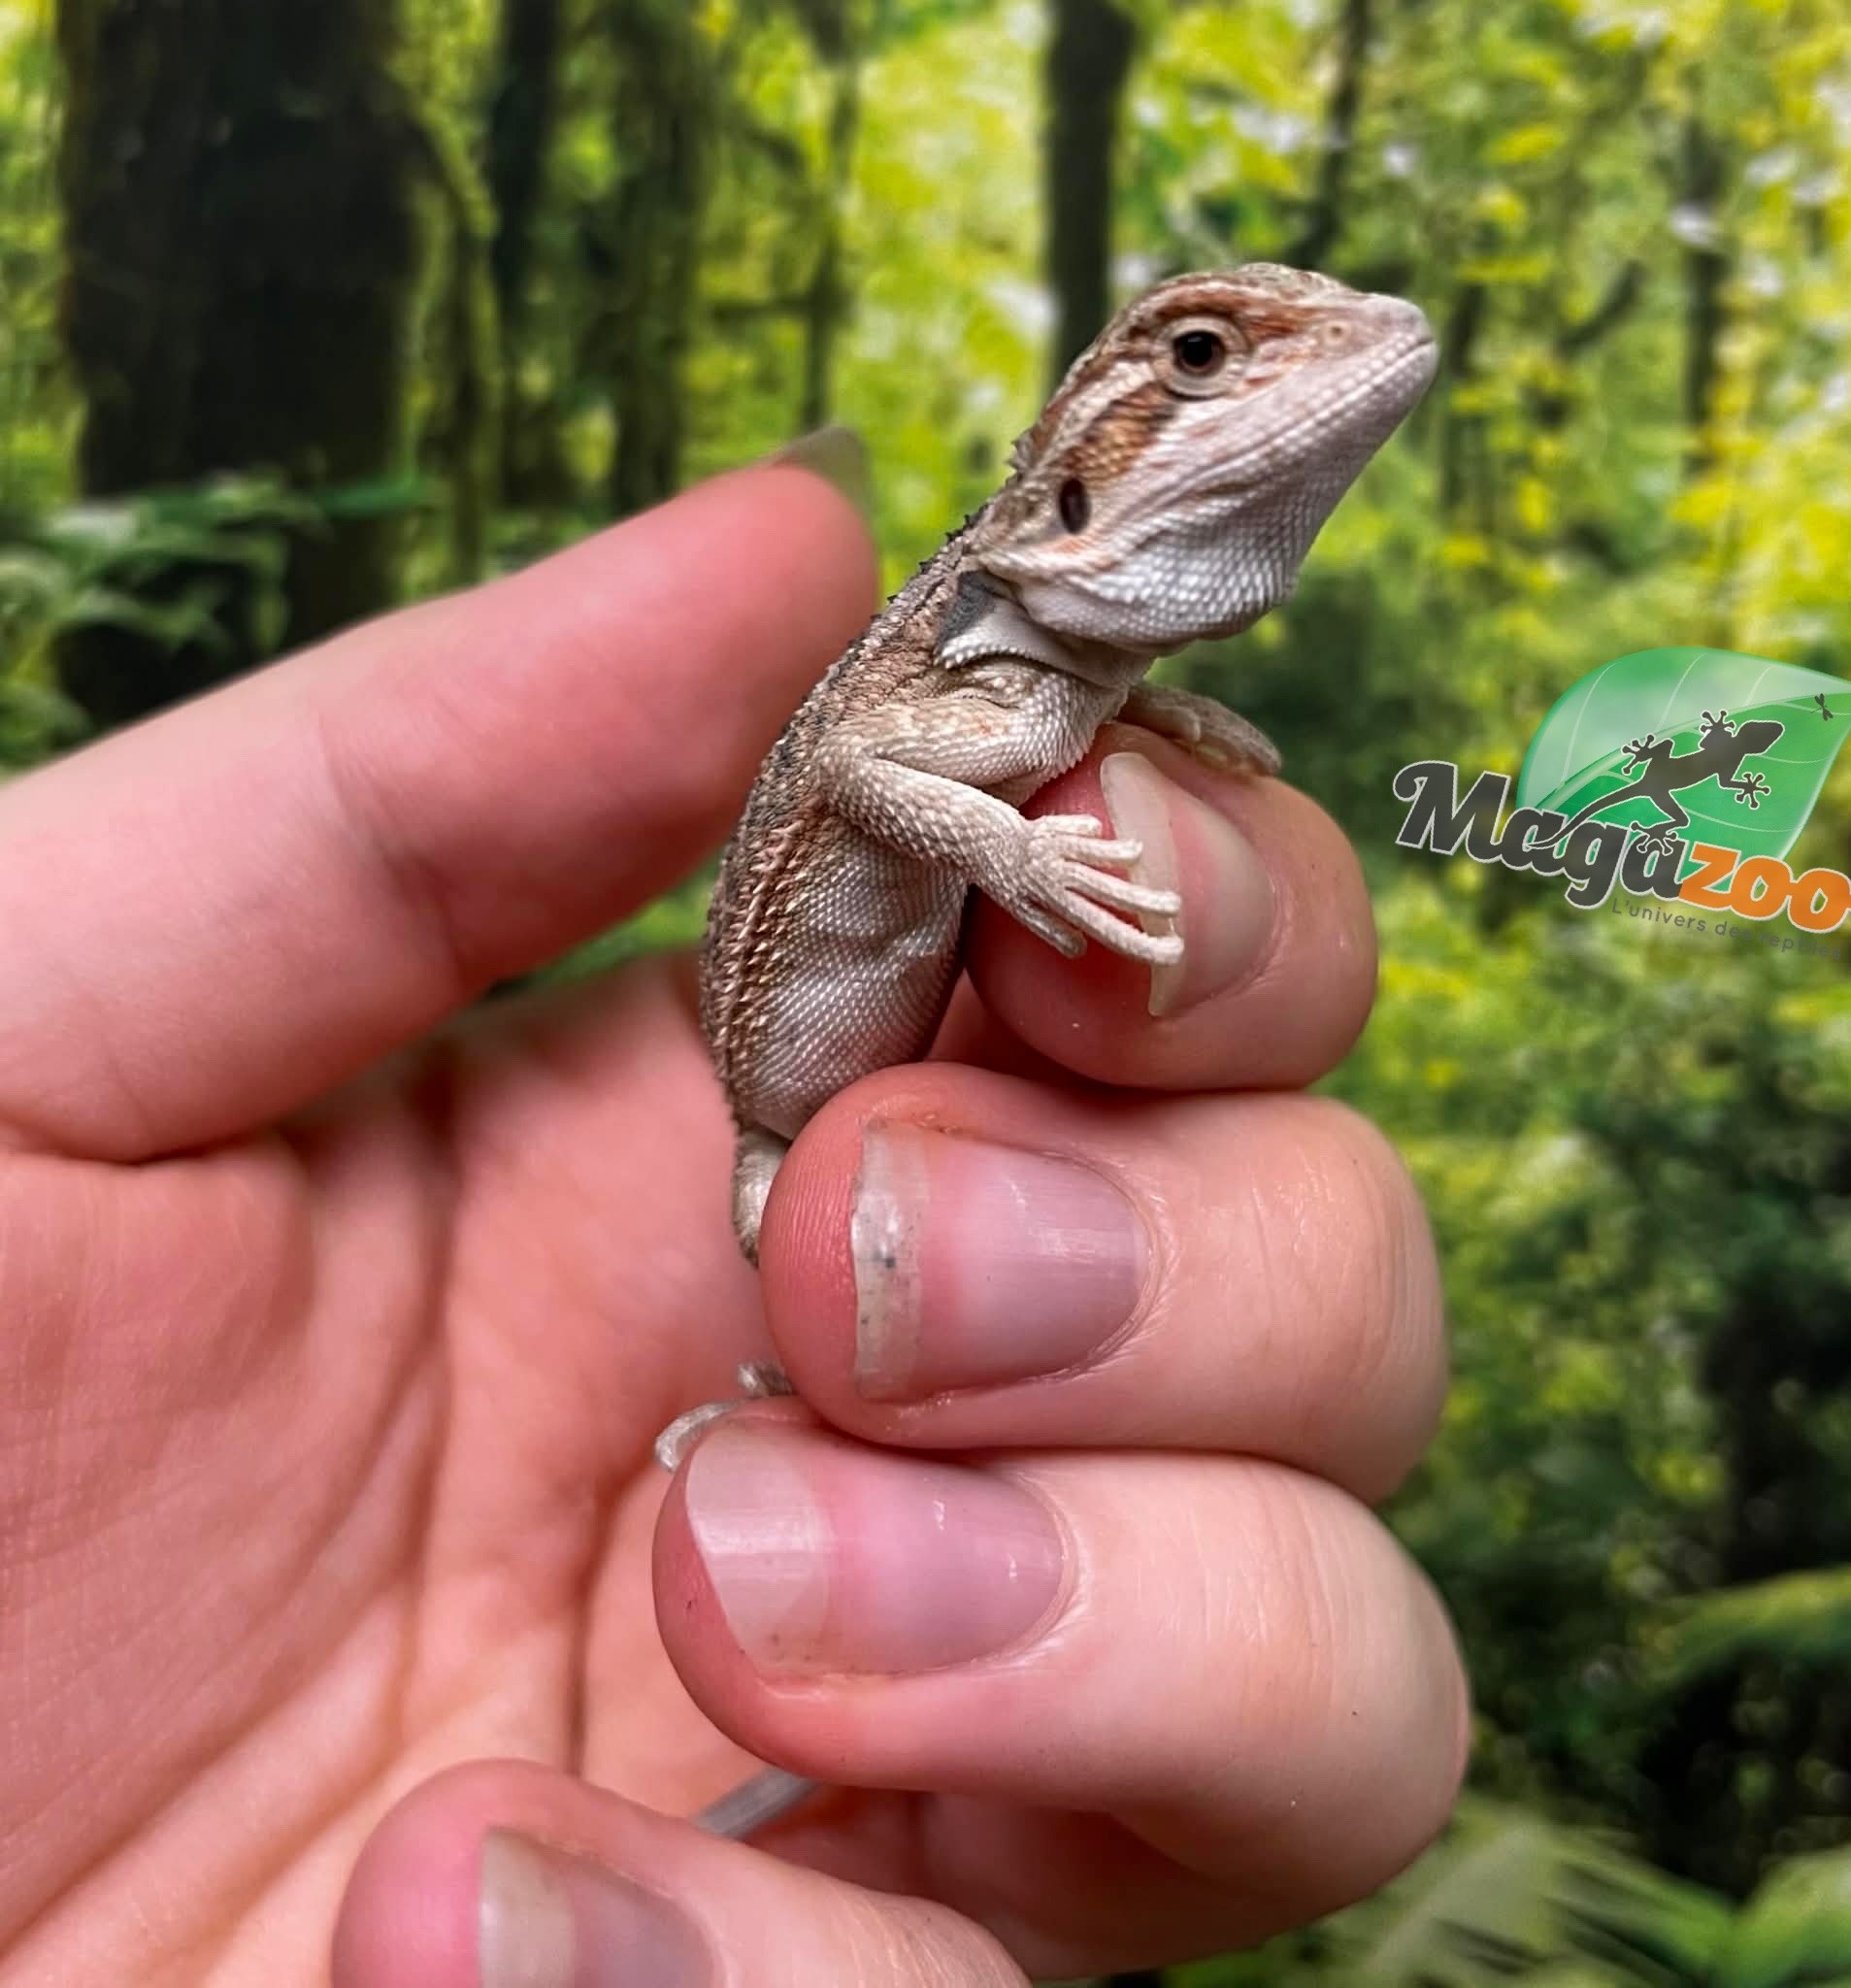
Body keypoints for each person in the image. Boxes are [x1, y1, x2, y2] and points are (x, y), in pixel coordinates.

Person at [0, 450, 1467, 1985]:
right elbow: (865, 777)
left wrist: (1140, 727)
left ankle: (844, 1456)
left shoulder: (1046, 680)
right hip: (779, 1129)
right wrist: (1026, 852)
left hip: (864, 1124)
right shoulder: (964, 673)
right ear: (1073, 501)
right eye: (1201, 358)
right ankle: (822, 1409)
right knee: (824, 1223)